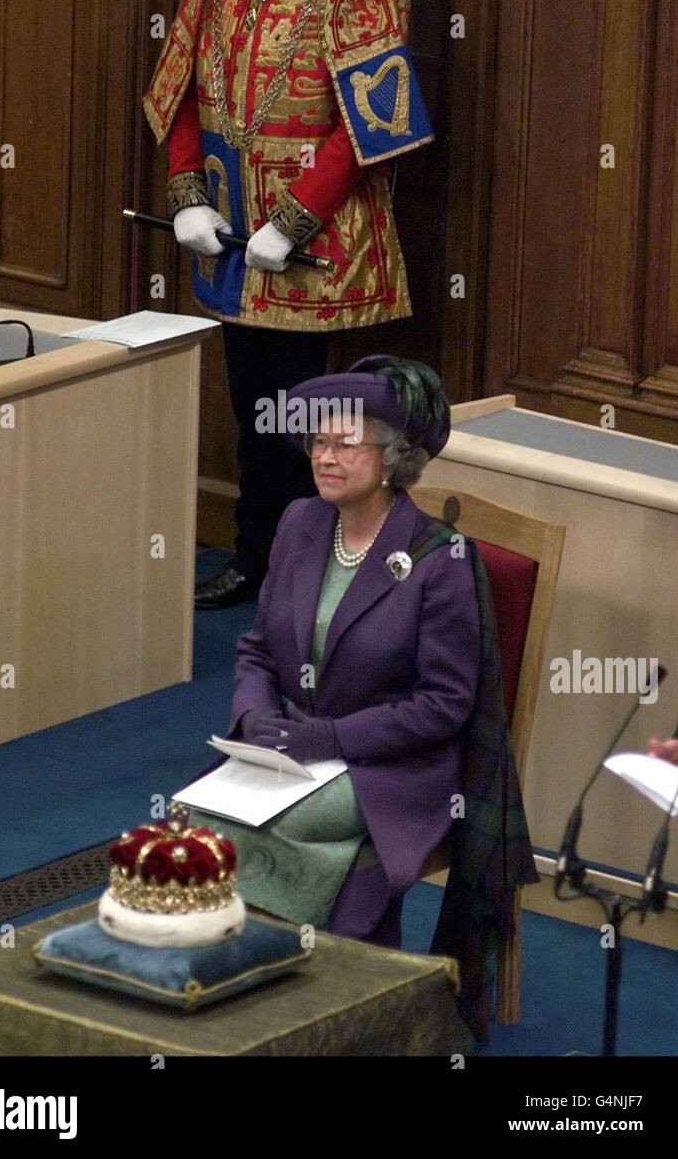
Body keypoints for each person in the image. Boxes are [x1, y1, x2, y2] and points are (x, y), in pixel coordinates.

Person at [143, 0, 434, 608]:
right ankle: (255, 557)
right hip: (230, 225)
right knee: (251, 406)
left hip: (317, 237)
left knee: (317, 420)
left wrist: (295, 219)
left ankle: (318, 573)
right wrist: (186, 196)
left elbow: (372, 121)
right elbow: (182, 89)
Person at [201, 355, 537, 1041]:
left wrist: (332, 740)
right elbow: (257, 648)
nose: (325, 456)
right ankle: (254, 987)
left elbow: (443, 705)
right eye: (319, 442)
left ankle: (327, 994)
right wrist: (252, 714)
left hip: (393, 766)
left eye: (344, 444)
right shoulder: (298, 524)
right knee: (199, 818)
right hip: (288, 747)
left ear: (392, 460)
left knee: (281, 827)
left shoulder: (438, 561)